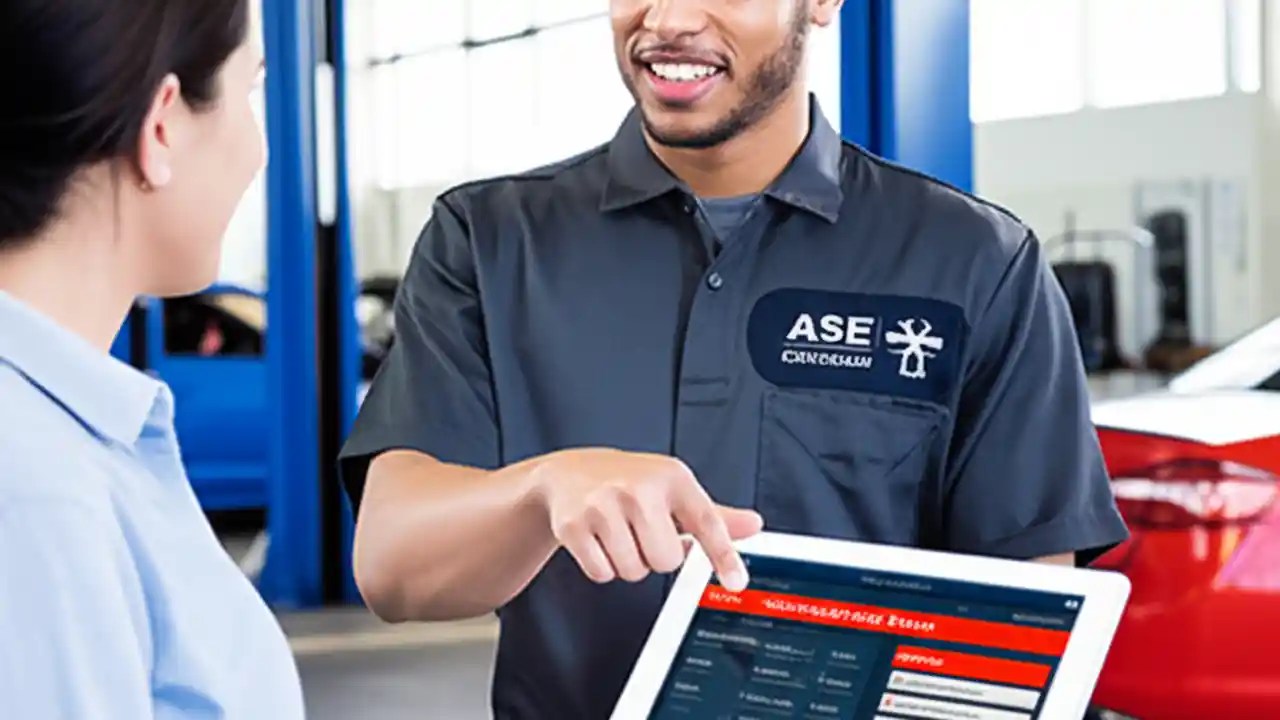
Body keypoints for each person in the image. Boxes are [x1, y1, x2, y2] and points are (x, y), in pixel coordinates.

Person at [340, 0, 1130, 717]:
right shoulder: (489, 242)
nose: (670, 19)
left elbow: (1021, 624)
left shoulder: (974, 263)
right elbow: (394, 569)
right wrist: (541, 488)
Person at [0, 1, 304, 717]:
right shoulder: (35, 493)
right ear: (162, 125)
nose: (259, 150)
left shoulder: (60, 444)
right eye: (248, 91)